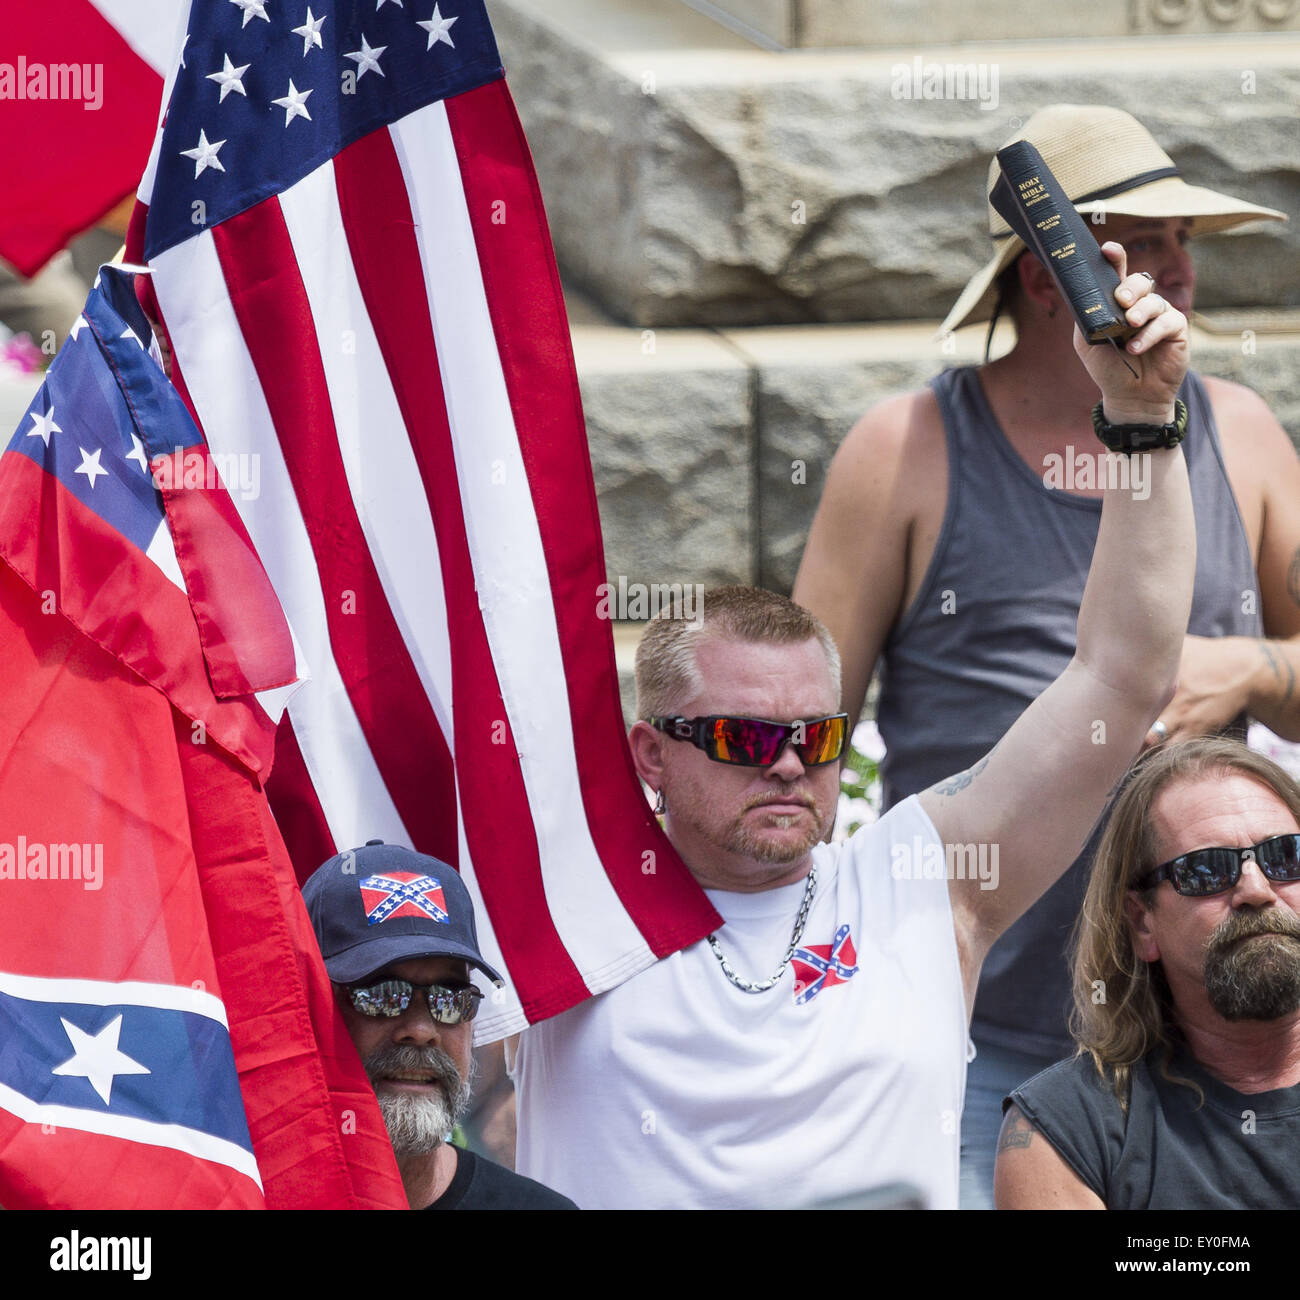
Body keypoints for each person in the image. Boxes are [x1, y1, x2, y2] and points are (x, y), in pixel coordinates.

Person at [508, 248, 1194, 1208]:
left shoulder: (921, 883)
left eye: (818, 738)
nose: (789, 764)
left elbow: (1121, 676)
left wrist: (1141, 420)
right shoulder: (554, 908)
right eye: (746, 740)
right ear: (649, 753)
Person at [792, 103, 1300, 1208]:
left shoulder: (1243, 432)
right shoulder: (908, 448)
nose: (1180, 270)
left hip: (1204, 1046)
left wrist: (1255, 671)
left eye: (1185, 243)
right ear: (1044, 275)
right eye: (1145, 244)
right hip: (975, 1032)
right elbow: (800, 730)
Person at [994, 736, 1300, 1209]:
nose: (1256, 889)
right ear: (1142, 922)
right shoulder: (1068, 1128)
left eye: (1285, 855)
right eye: (1206, 870)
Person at [302, 840, 576, 1210]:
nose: (421, 1029)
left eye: (450, 998)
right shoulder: (235, 1192)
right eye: (382, 994)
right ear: (308, 1008)